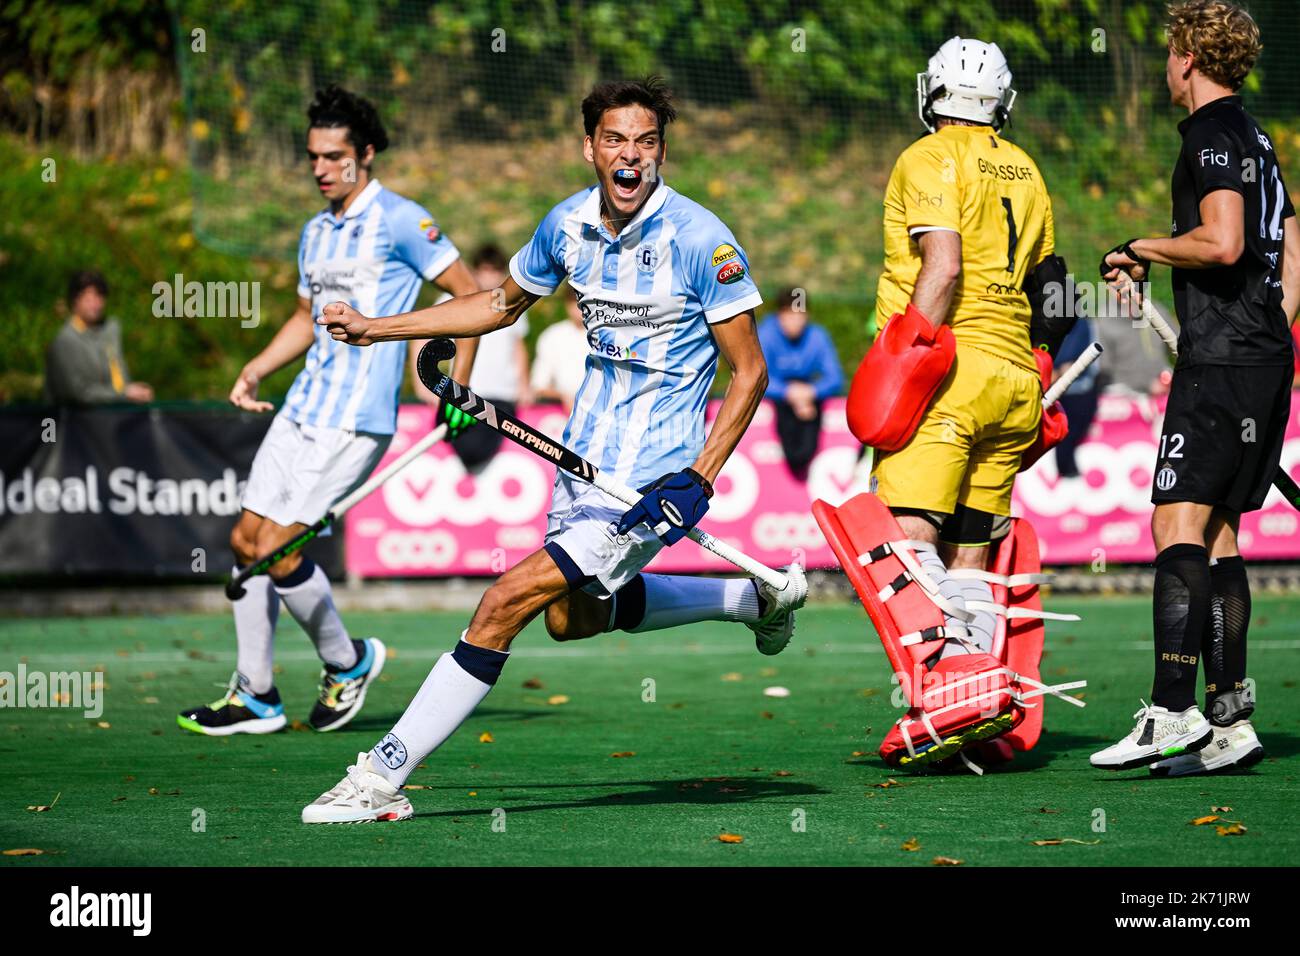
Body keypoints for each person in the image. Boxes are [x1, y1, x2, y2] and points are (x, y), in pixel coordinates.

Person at [304, 76, 806, 824]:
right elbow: (498, 305)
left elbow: (751, 371)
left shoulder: (702, 240)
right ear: (589, 148)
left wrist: (698, 478)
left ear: (661, 151)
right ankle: (751, 597)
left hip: (651, 479)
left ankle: (381, 777)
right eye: (614, 141)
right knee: (573, 619)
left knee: (503, 602)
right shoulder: (567, 225)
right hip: (579, 460)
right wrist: (379, 326)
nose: (629, 158)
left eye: (645, 142)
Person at [176, 85, 480, 737]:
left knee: (280, 548)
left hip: (356, 419)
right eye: (313, 156)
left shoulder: (403, 220)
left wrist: (457, 385)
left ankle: (347, 662)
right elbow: (300, 317)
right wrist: (258, 366)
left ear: (365, 155)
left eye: (334, 156)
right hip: (301, 407)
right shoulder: (315, 231)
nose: (320, 168)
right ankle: (256, 694)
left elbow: (471, 299)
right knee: (244, 543)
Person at [845, 36, 1076, 765]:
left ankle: (949, 687)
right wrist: (1038, 364)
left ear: (933, 92)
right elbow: (1056, 290)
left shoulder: (927, 157)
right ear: (999, 101)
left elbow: (941, 266)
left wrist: (909, 348)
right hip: (1015, 378)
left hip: (949, 370)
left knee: (907, 546)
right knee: (971, 548)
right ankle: (973, 697)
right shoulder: (1030, 169)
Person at [1092, 0, 1298, 776]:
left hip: (1224, 361)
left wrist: (1137, 246)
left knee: (1173, 520)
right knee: (1216, 534)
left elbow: (1224, 241)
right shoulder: (1256, 135)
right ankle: (1230, 720)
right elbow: (1293, 238)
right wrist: (1269, 327)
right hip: (1258, 355)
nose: (1164, 66)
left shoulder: (1213, 135)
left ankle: (1171, 708)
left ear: (1186, 56)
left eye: (1169, 51)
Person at [424, 243, 531, 469]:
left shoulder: (510, 301)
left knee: (488, 461)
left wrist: (524, 385)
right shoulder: (451, 299)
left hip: (501, 395)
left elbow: (517, 347)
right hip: (463, 395)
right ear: (474, 271)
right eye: (485, 270)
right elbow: (420, 337)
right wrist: (424, 385)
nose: (490, 277)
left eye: (495, 270)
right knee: (467, 454)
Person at [757, 287, 844, 479]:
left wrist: (810, 392)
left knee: (805, 447)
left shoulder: (818, 336)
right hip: (778, 397)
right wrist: (789, 392)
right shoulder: (766, 333)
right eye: (790, 316)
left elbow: (835, 378)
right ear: (779, 315)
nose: (795, 322)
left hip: (807, 397)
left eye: (800, 316)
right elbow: (756, 378)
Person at [45, 270, 154, 405]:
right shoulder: (65, 341)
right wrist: (123, 395)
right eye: (89, 298)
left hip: (115, 418)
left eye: (100, 297)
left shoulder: (110, 330)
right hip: (77, 422)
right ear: (75, 300)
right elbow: (78, 393)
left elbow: (117, 377)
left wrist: (133, 391)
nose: (96, 304)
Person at [530, 284, 591, 412]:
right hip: (560, 413)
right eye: (574, 302)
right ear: (566, 304)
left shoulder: (606, 336)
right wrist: (563, 397)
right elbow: (539, 386)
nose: (579, 308)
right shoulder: (551, 336)